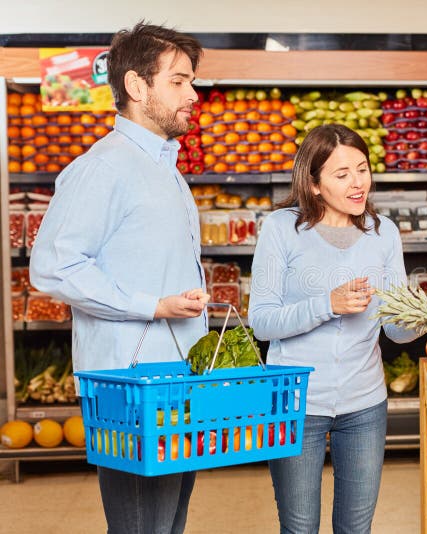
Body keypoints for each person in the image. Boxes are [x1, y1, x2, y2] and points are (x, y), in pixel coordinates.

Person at [30, 22, 208, 534]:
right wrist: (152, 304)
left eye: (191, 81)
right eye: (178, 81)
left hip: (174, 381)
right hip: (128, 386)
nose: (192, 95)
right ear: (136, 86)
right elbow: (54, 265)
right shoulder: (105, 168)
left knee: (168, 523)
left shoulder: (166, 170)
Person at [248, 123, 419, 534]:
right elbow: (262, 320)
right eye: (342, 175)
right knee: (300, 527)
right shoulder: (281, 229)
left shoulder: (383, 233)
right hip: (295, 404)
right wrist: (327, 305)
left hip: (364, 404)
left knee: (356, 528)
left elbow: (395, 331)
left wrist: (423, 316)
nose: (357, 183)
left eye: (362, 169)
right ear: (314, 182)